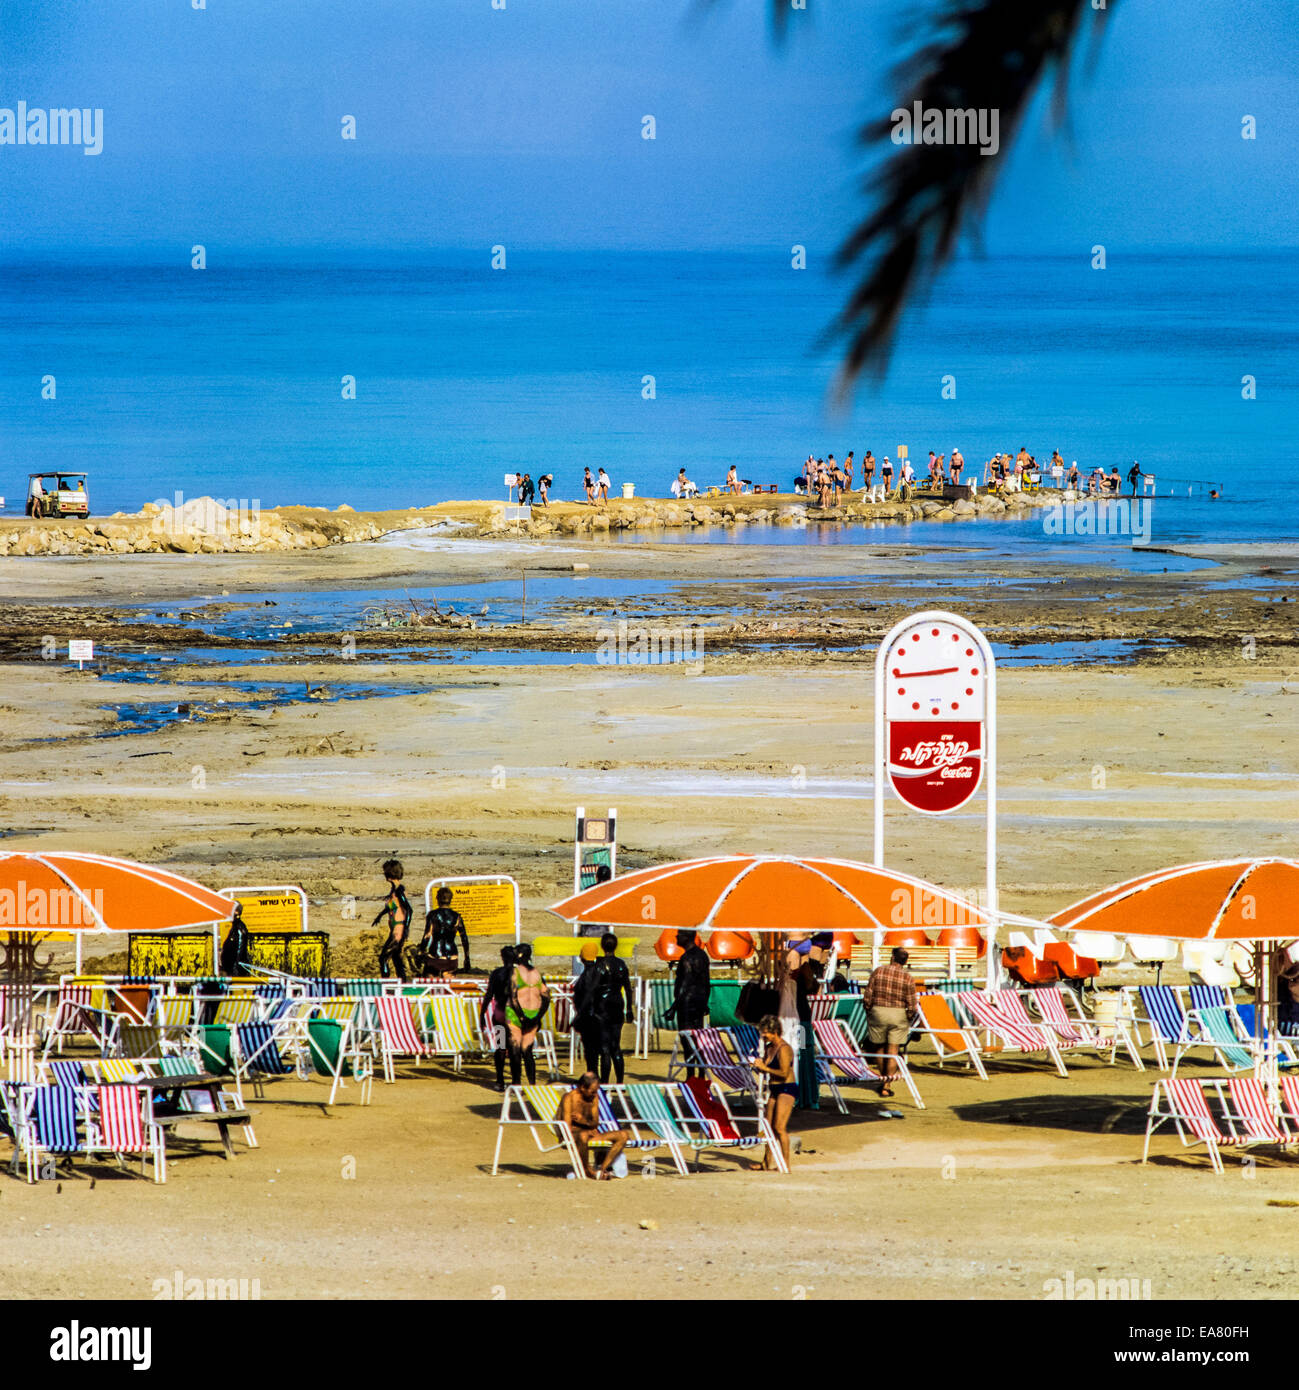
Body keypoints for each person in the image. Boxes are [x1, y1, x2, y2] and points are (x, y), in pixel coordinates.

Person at [573, 932, 635, 1083]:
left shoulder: (600, 966)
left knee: (605, 1048)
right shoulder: (621, 965)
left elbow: (592, 989)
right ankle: (620, 1082)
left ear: (602, 946)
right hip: (618, 1006)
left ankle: (605, 1082)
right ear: (616, 946)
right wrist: (629, 1009)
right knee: (616, 1047)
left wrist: (581, 1012)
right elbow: (628, 988)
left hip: (603, 1008)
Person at [862, 946, 919, 1099]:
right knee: (893, 1051)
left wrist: (869, 1009)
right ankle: (887, 1085)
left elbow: (868, 995)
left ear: (892, 958)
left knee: (879, 1048)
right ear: (905, 962)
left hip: (878, 1012)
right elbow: (912, 1004)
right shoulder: (907, 977)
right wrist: (907, 1015)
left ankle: (883, 1079)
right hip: (898, 1013)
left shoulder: (878, 971)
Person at [557, 1073, 628, 1179]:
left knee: (623, 1135)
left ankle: (602, 1169)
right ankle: (587, 1170)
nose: (594, 1094)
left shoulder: (594, 1098)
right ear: (582, 1087)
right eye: (592, 1091)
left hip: (589, 1132)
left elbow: (595, 1122)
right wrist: (586, 1128)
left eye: (596, 1091)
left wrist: (583, 1121)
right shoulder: (569, 1098)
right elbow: (567, 1127)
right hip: (571, 1136)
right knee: (583, 1135)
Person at [750, 1014, 796, 1171]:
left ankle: (785, 1164)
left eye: (765, 1032)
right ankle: (766, 1163)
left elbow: (784, 1073)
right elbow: (766, 1068)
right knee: (768, 1128)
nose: (763, 1035)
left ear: (775, 1031)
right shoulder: (770, 1048)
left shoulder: (785, 1049)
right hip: (774, 1088)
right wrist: (757, 1065)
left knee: (780, 1127)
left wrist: (764, 1068)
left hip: (786, 1088)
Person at [505, 941, 550, 1086]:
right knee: (527, 1052)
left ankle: (516, 1083)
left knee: (515, 1050)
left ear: (520, 955)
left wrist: (521, 1016)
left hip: (516, 1015)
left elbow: (513, 998)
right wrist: (538, 1016)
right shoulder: (537, 973)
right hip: (533, 1015)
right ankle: (532, 1084)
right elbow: (547, 998)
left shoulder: (515, 972)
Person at [667, 929, 711, 1077]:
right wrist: (704, 1002)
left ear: (686, 938)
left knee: (687, 1041)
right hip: (699, 1001)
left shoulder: (686, 958)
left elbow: (684, 985)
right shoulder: (702, 955)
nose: (676, 937)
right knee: (698, 1038)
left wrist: (673, 1007)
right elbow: (706, 982)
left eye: (679, 935)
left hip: (686, 1003)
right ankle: (701, 1075)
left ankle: (690, 1076)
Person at [479, 945, 516, 1090]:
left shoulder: (496, 973)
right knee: (514, 1049)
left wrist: (482, 1014)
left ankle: (500, 1081)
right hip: (514, 1016)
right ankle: (515, 1081)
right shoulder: (518, 973)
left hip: (500, 1014)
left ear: (502, 958)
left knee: (500, 1047)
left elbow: (489, 995)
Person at [372, 858, 413, 981]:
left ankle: (386, 986)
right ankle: (402, 985)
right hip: (395, 929)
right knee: (396, 958)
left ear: (389, 874)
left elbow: (409, 910)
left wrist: (405, 928)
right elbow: (392, 906)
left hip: (398, 930)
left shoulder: (399, 890)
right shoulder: (394, 890)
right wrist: (379, 916)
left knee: (383, 958)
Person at [421, 885, 470, 974]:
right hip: (451, 957)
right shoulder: (457, 916)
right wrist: (467, 959)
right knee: (449, 985)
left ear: (438, 899)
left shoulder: (432, 915)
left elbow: (427, 936)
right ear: (450, 900)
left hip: (435, 956)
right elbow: (464, 939)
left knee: (431, 983)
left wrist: (421, 951)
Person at [219, 903, 253, 977]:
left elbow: (240, 950)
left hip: (235, 970)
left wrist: (235, 970)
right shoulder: (235, 927)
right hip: (232, 968)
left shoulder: (239, 928)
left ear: (236, 912)